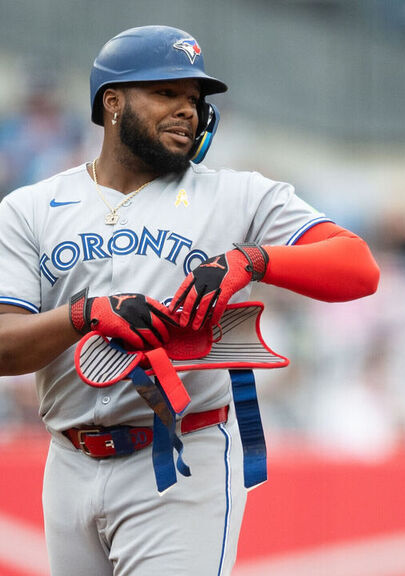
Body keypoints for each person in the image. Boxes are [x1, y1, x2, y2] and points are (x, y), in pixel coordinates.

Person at [0, 25, 379, 576]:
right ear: (112, 102)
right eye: (165, 93)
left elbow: (358, 268)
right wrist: (83, 316)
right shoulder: (31, 207)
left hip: (182, 457)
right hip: (68, 460)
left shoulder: (238, 194)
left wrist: (253, 260)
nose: (187, 110)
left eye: (195, 99)